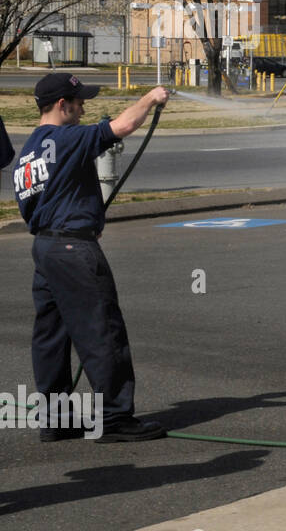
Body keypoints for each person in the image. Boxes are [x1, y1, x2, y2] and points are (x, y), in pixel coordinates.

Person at [12, 73, 169, 442]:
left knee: (51, 336)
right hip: (73, 250)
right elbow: (124, 125)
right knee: (101, 329)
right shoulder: (68, 139)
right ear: (63, 105)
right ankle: (114, 417)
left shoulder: (30, 151)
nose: (84, 108)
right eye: (79, 102)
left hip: (46, 248)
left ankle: (56, 419)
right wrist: (150, 98)